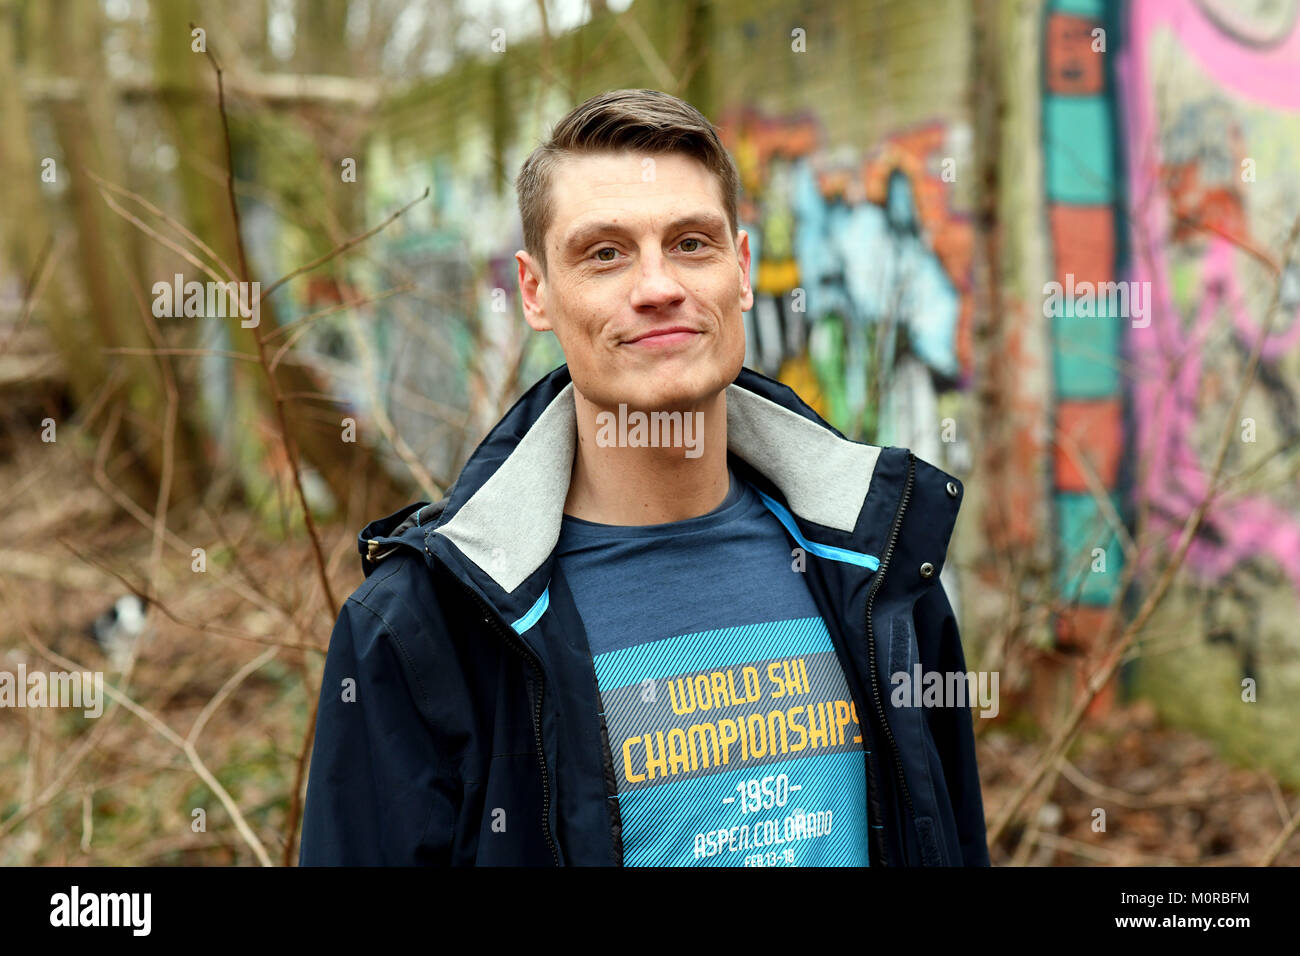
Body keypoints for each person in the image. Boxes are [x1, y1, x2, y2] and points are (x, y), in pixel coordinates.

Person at [299, 88, 989, 867]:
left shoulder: (879, 557)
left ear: (742, 267)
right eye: (604, 253)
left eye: (691, 243)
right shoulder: (426, 629)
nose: (657, 285)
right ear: (535, 292)